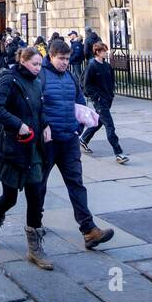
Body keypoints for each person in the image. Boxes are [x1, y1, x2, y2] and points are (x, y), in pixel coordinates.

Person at [37, 38, 115, 249]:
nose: (65, 62)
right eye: (61, 59)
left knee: (76, 184)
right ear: (51, 56)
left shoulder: (70, 76)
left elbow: (80, 103)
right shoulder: (41, 76)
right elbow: (34, 105)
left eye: (67, 59)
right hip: (48, 142)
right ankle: (35, 223)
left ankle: (89, 230)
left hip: (69, 140)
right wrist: (44, 128)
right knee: (39, 184)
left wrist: (77, 129)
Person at [0, 47, 53, 269]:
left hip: (33, 148)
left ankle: (34, 249)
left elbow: (39, 108)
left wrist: (45, 125)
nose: (38, 69)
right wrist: (18, 125)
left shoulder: (37, 81)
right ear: (23, 61)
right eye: (34, 64)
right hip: (12, 148)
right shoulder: (9, 79)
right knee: (10, 198)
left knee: (36, 196)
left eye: (40, 65)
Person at [79, 42, 127, 163]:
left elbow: (111, 80)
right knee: (110, 126)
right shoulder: (92, 66)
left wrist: (111, 94)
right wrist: (97, 98)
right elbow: (86, 85)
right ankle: (118, 153)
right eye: (104, 51)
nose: (107, 52)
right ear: (98, 52)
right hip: (100, 101)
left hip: (107, 99)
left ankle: (83, 139)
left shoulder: (107, 66)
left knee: (98, 122)